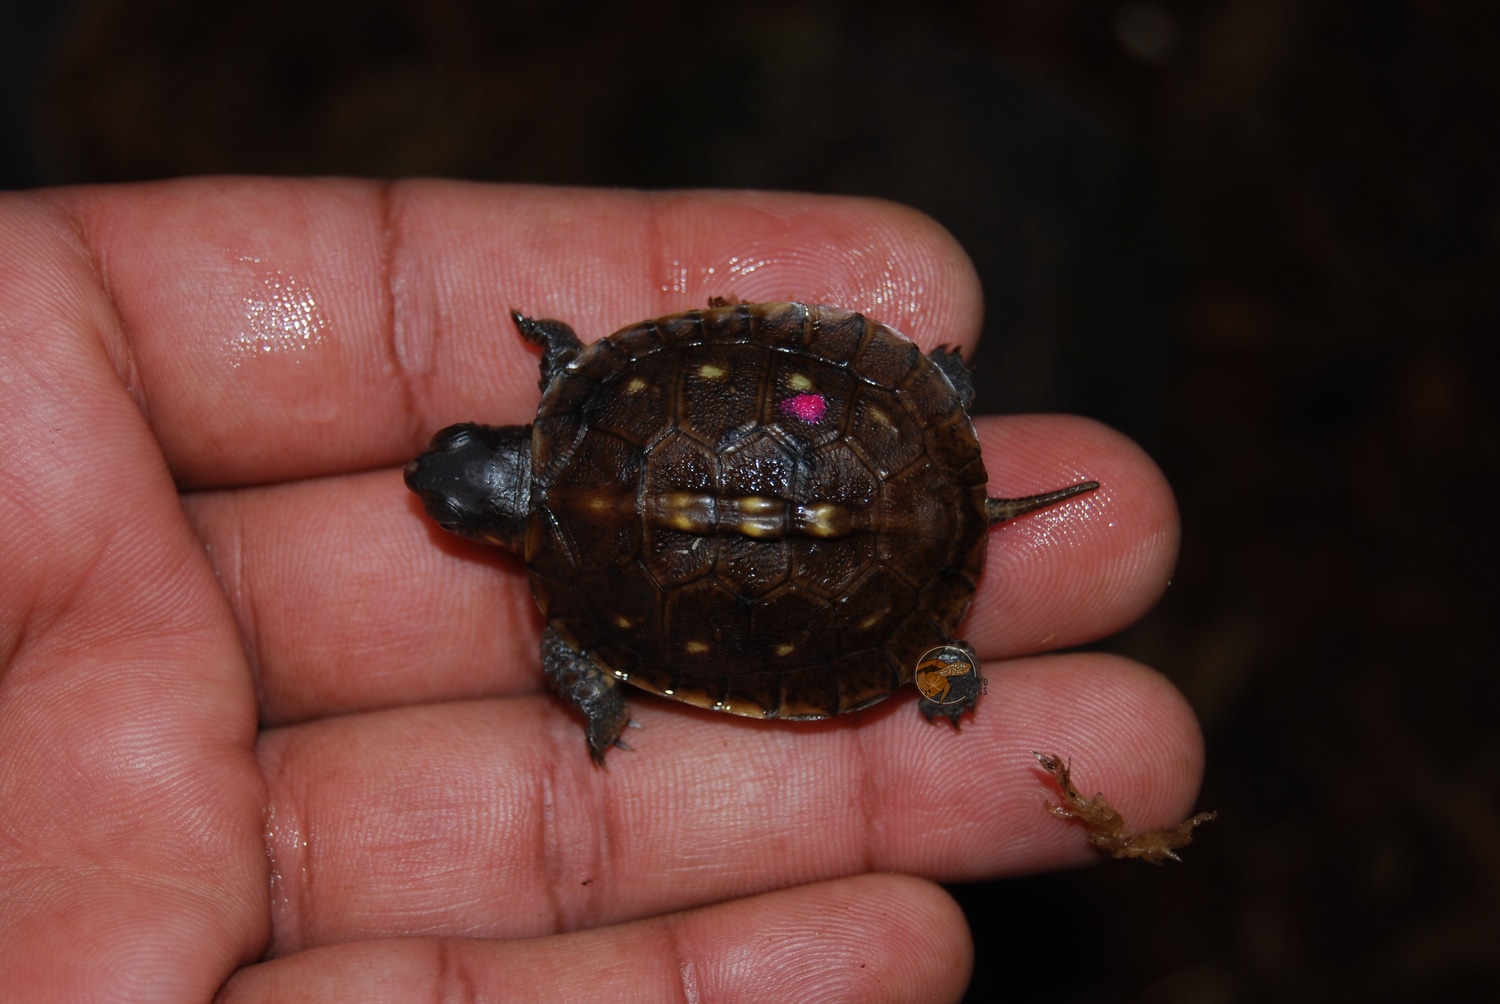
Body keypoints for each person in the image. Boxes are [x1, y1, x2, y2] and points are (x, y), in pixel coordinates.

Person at [0, 179, 1203, 1002]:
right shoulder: (590, 384)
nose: (446, 485)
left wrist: (598, 702)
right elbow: (601, 360)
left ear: (490, 523)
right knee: (887, 429)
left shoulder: (574, 611)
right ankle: (928, 454)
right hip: (864, 444)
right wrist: (561, 350)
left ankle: (931, 656)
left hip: (853, 547)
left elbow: (597, 671)